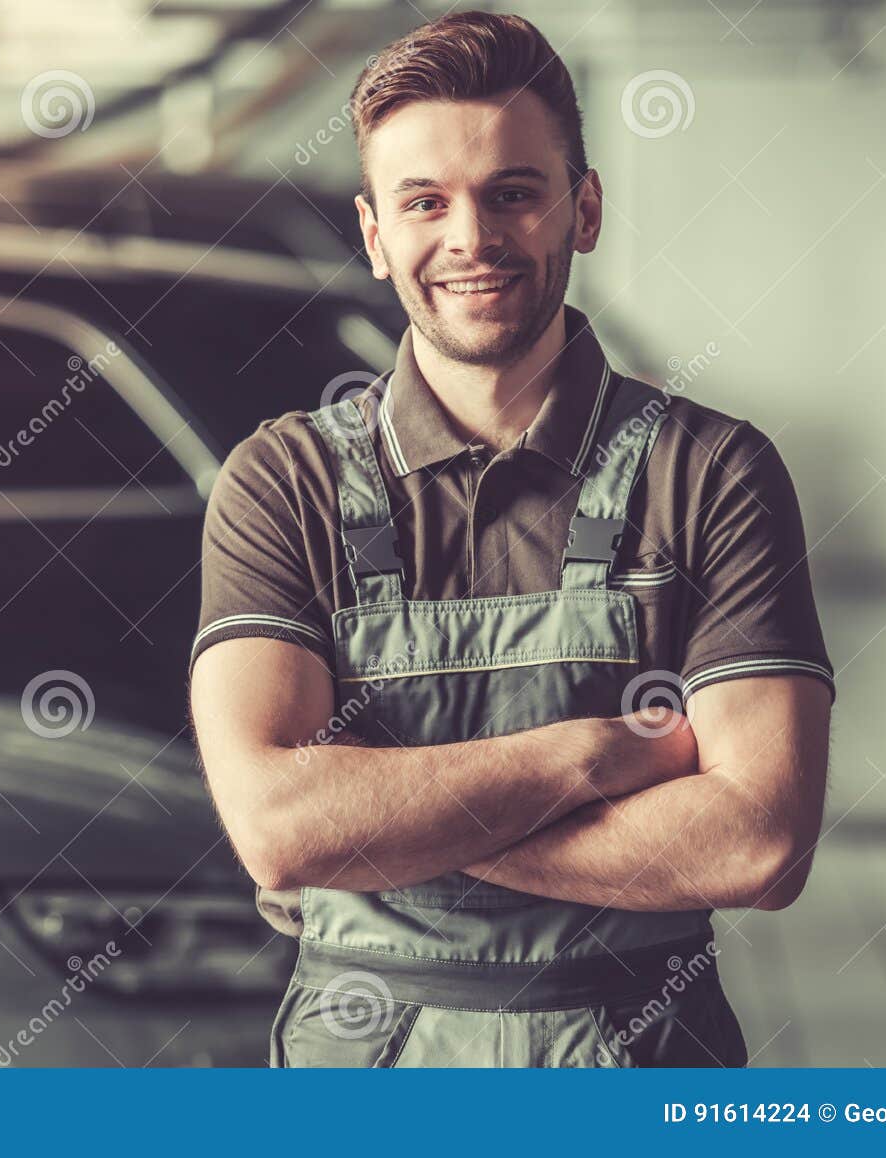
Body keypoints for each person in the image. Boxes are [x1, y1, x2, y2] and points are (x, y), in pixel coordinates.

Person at [188, 10, 834, 1067]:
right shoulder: (284, 480)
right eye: (423, 203)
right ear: (373, 233)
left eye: (513, 193)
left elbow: (756, 843)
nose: (470, 239)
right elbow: (278, 829)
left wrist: (390, 825)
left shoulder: (710, 473)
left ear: (582, 209)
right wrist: (589, 753)